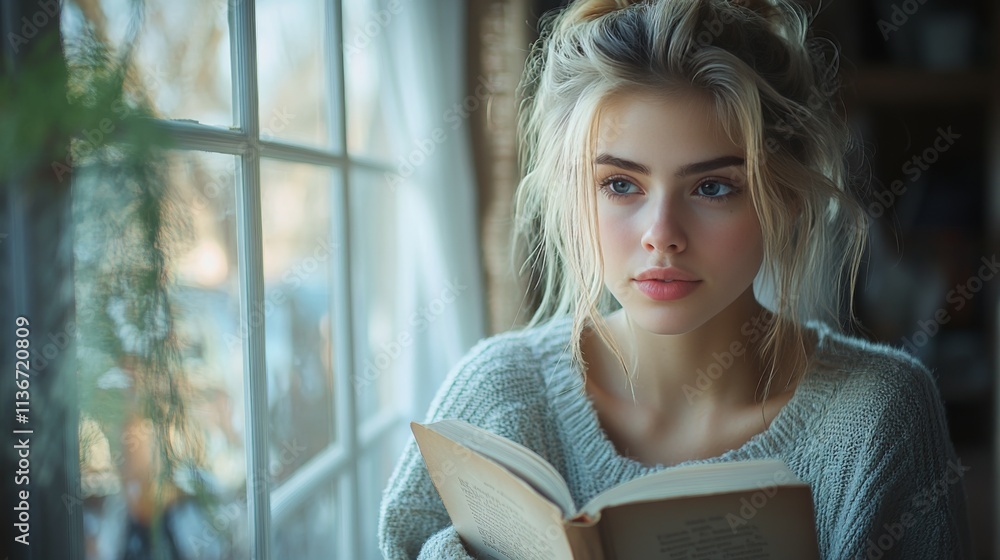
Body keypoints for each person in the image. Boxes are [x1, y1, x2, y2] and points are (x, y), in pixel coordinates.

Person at [378, 0, 973, 557]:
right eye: (620, 184)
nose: (661, 234)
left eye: (712, 187)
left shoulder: (882, 418)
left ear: (787, 199)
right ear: (570, 193)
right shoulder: (497, 396)